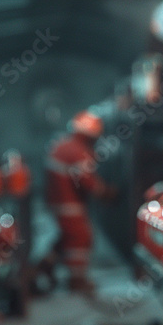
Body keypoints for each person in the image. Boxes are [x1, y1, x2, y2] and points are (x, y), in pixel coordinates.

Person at [41, 111, 116, 294]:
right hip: (69, 204)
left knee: (66, 237)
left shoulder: (64, 145)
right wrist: (105, 192)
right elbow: (87, 181)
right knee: (80, 237)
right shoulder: (76, 150)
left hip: (59, 202)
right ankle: (77, 280)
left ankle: (45, 265)